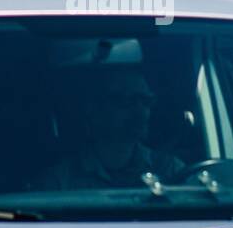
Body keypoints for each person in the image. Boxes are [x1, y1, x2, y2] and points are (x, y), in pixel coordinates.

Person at [40, 66, 183, 190]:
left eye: (146, 100)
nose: (141, 111)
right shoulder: (60, 183)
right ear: (94, 109)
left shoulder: (171, 170)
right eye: (126, 101)